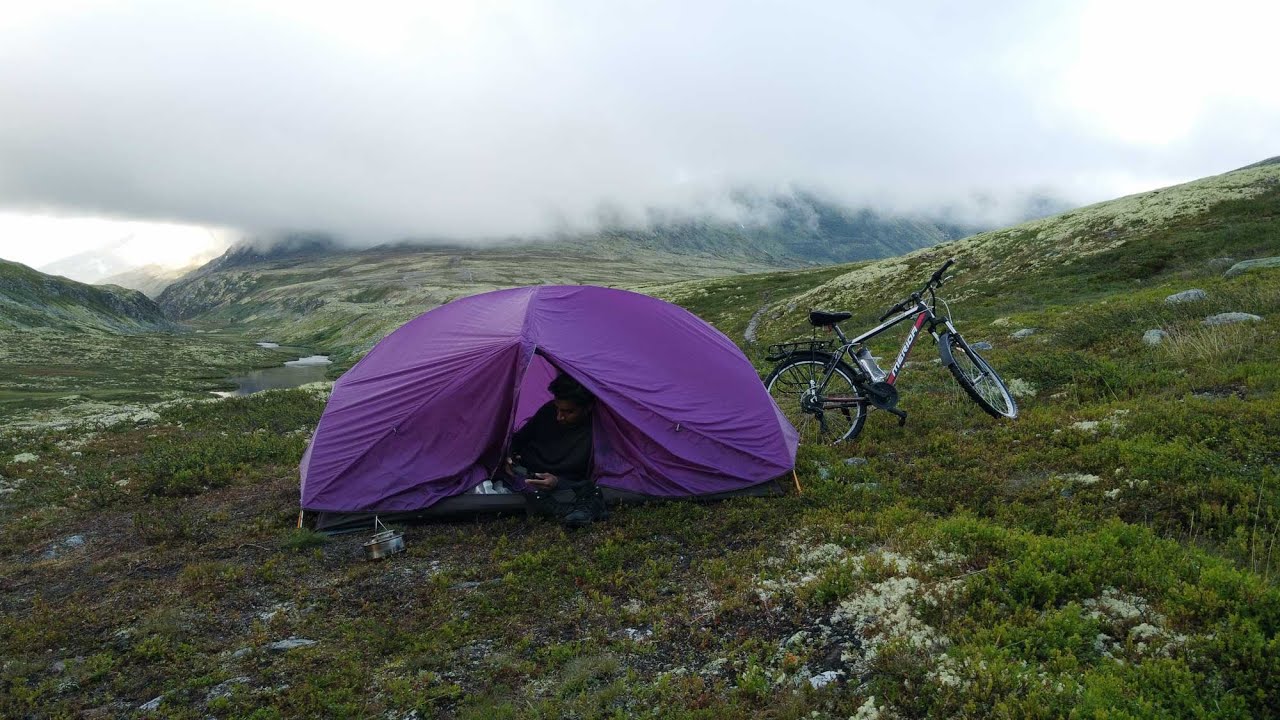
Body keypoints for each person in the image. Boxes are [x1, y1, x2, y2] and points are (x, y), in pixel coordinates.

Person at [506, 373, 608, 528]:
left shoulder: (598, 431)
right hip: (525, 471)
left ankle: (571, 511)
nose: (559, 417)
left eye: (568, 412)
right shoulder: (548, 411)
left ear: (588, 408)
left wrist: (558, 482)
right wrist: (508, 456)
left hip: (560, 483)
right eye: (557, 408)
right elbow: (518, 439)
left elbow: (595, 476)